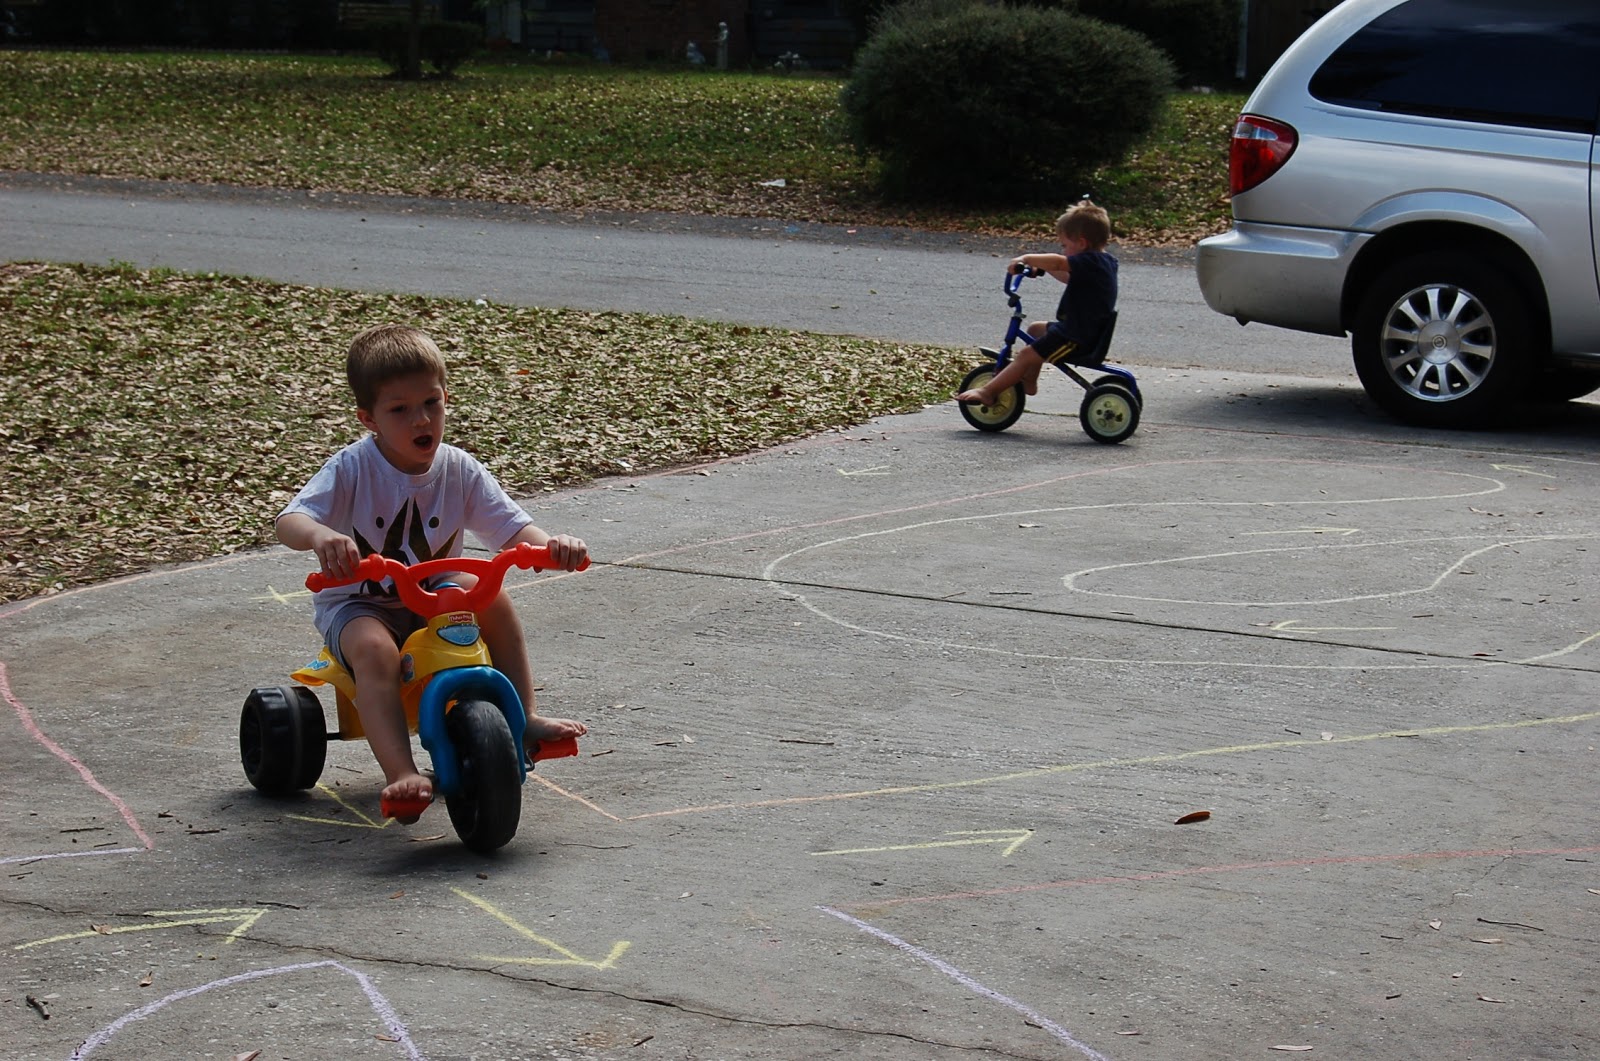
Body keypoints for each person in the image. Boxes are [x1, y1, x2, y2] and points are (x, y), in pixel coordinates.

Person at [276, 323, 589, 821]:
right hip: (360, 602)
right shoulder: (352, 468)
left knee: (490, 595)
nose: (421, 419)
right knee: (375, 650)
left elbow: (512, 529)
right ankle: (401, 772)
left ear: (446, 398)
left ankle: (524, 716)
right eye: (399, 410)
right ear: (369, 418)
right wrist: (319, 536)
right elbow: (289, 520)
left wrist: (551, 547)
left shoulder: (459, 468)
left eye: (431, 403)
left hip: (433, 593)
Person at [955, 199, 1118, 404]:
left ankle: (987, 392)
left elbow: (1059, 263)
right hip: (1079, 330)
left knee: (1026, 355)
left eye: (1065, 245)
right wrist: (1042, 269)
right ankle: (1029, 382)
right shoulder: (1103, 262)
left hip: (1075, 338)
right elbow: (1066, 275)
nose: (1064, 251)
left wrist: (1026, 259)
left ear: (1082, 243)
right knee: (1035, 329)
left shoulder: (1090, 261)